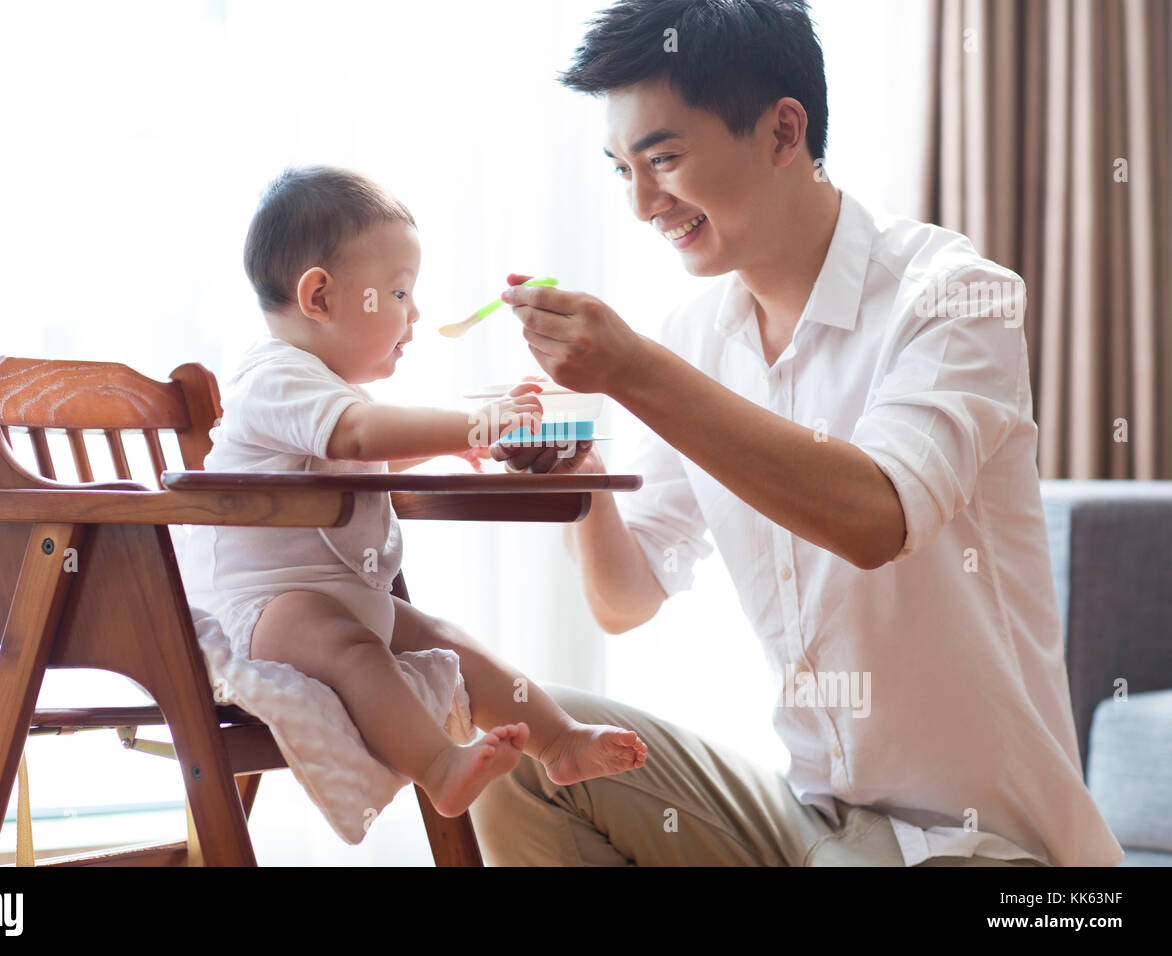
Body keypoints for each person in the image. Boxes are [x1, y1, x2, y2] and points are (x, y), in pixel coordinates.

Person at [470, 0, 1124, 866]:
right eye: (620, 169)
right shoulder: (697, 338)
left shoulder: (954, 294)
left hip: (987, 845)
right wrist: (581, 474)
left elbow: (877, 517)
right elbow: (625, 600)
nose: (641, 203)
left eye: (663, 158)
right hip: (814, 822)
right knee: (525, 758)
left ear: (783, 131)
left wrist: (631, 370)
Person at [180, 166, 647, 820]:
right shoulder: (275, 377)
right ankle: (441, 766)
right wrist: (479, 424)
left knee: (446, 641)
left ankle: (560, 740)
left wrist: (461, 443)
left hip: (339, 599)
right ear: (318, 296)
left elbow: (369, 443)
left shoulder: (324, 389)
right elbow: (360, 438)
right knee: (351, 647)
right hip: (260, 615)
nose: (415, 313)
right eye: (398, 292)